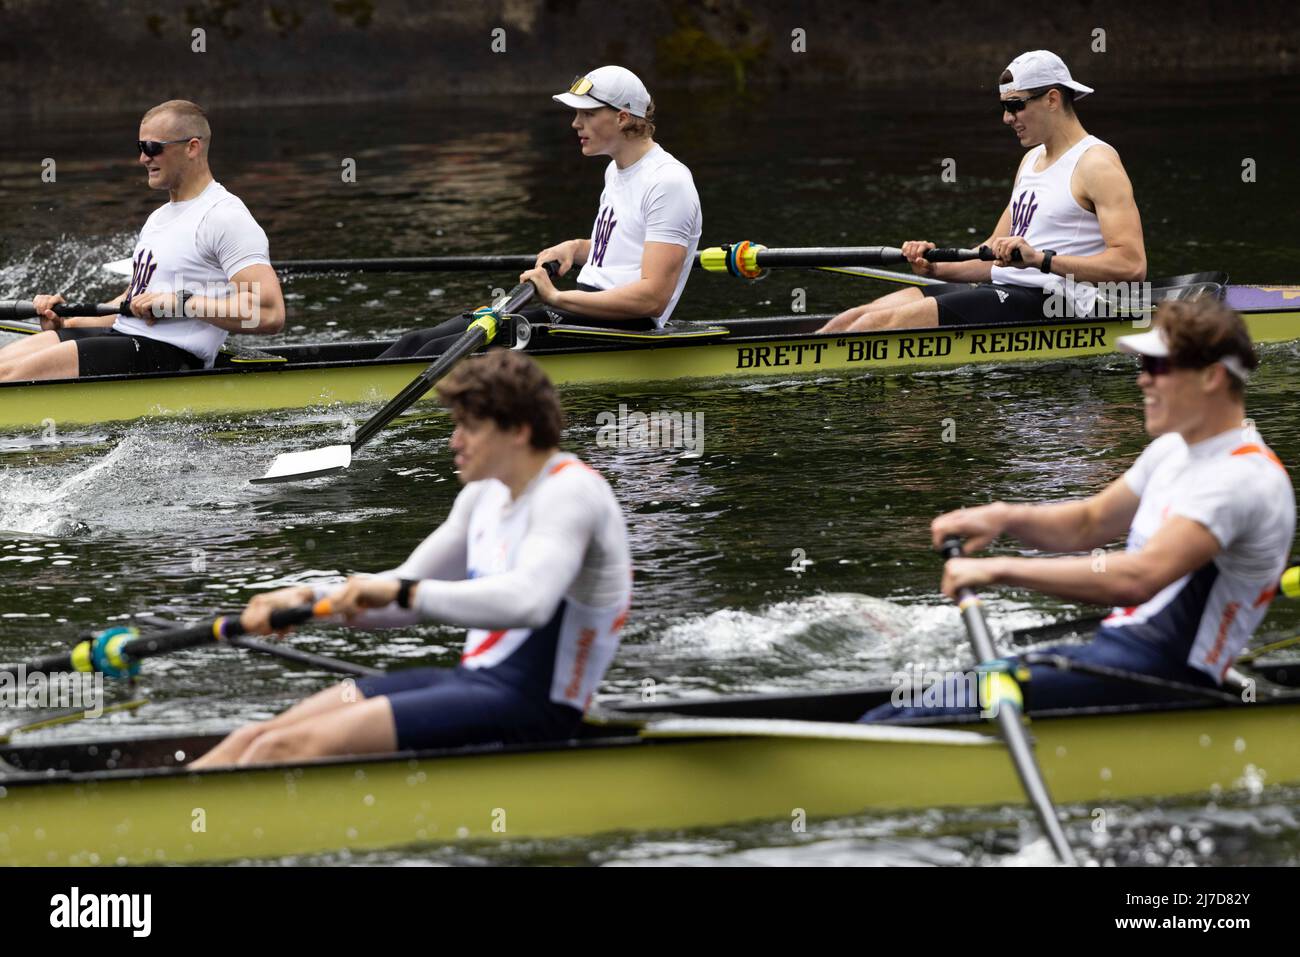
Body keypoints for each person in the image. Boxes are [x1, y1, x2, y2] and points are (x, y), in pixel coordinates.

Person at [191, 350, 632, 767]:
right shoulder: (482, 494)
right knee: (251, 738)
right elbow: (402, 591)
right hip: (471, 683)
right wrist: (308, 599)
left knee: (280, 749)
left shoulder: (570, 493)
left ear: (518, 429)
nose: (454, 441)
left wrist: (404, 592)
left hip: (536, 706)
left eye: (470, 427)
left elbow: (529, 602)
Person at [863, 298, 1294, 721]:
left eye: (1156, 367)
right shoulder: (1173, 451)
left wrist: (997, 570)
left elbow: (1138, 577)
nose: (1143, 380)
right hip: (1121, 654)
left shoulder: (1241, 480)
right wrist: (1003, 517)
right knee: (922, 701)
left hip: (1169, 676)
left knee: (921, 711)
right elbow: (1088, 523)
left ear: (1212, 377)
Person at [379, 65, 702, 358]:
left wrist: (555, 297)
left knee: (436, 351)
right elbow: (624, 250)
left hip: (624, 329)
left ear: (622, 117)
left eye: (587, 114)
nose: (576, 124)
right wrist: (575, 249)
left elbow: (652, 298)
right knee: (417, 342)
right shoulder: (617, 170)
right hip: (582, 314)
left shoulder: (667, 182)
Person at [820, 50, 1145, 335]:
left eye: (1015, 105)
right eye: (1004, 107)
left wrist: (1040, 259)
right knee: (853, 319)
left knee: (876, 327)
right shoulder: (1031, 160)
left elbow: (1131, 266)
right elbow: (990, 254)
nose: (1007, 118)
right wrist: (934, 266)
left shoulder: (1097, 163)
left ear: (1052, 99)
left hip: (1056, 303)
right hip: (1010, 291)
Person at [0, 100, 284, 382]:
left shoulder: (224, 217)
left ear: (192, 147)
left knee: (7, 376)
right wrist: (65, 320)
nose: (143, 158)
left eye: (153, 148)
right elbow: (130, 303)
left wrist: (182, 303)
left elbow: (269, 313)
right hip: (126, 335)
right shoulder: (158, 218)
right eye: (140, 148)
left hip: (172, 354)